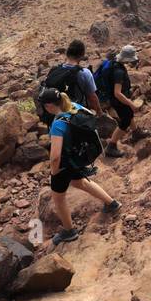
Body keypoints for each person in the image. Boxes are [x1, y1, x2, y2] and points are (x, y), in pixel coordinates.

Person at [39, 87, 120, 244]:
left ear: (48, 106)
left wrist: (54, 172)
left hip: (65, 163)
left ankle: (69, 231)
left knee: (58, 197)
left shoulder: (58, 124)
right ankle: (112, 203)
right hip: (78, 156)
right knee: (79, 182)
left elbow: (55, 156)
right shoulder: (76, 107)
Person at [95, 45, 139, 157]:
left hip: (116, 99)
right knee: (124, 122)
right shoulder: (118, 71)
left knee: (129, 115)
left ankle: (136, 133)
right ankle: (111, 146)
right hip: (118, 100)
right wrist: (130, 103)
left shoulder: (115, 63)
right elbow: (117, 93)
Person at [41, 39, 102, 118]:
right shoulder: (84, 73)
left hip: (54, 113)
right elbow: (92, 97)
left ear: (67, 53)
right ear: (82, 55)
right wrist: (99, 112)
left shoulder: (55, 69)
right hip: (74, 115)